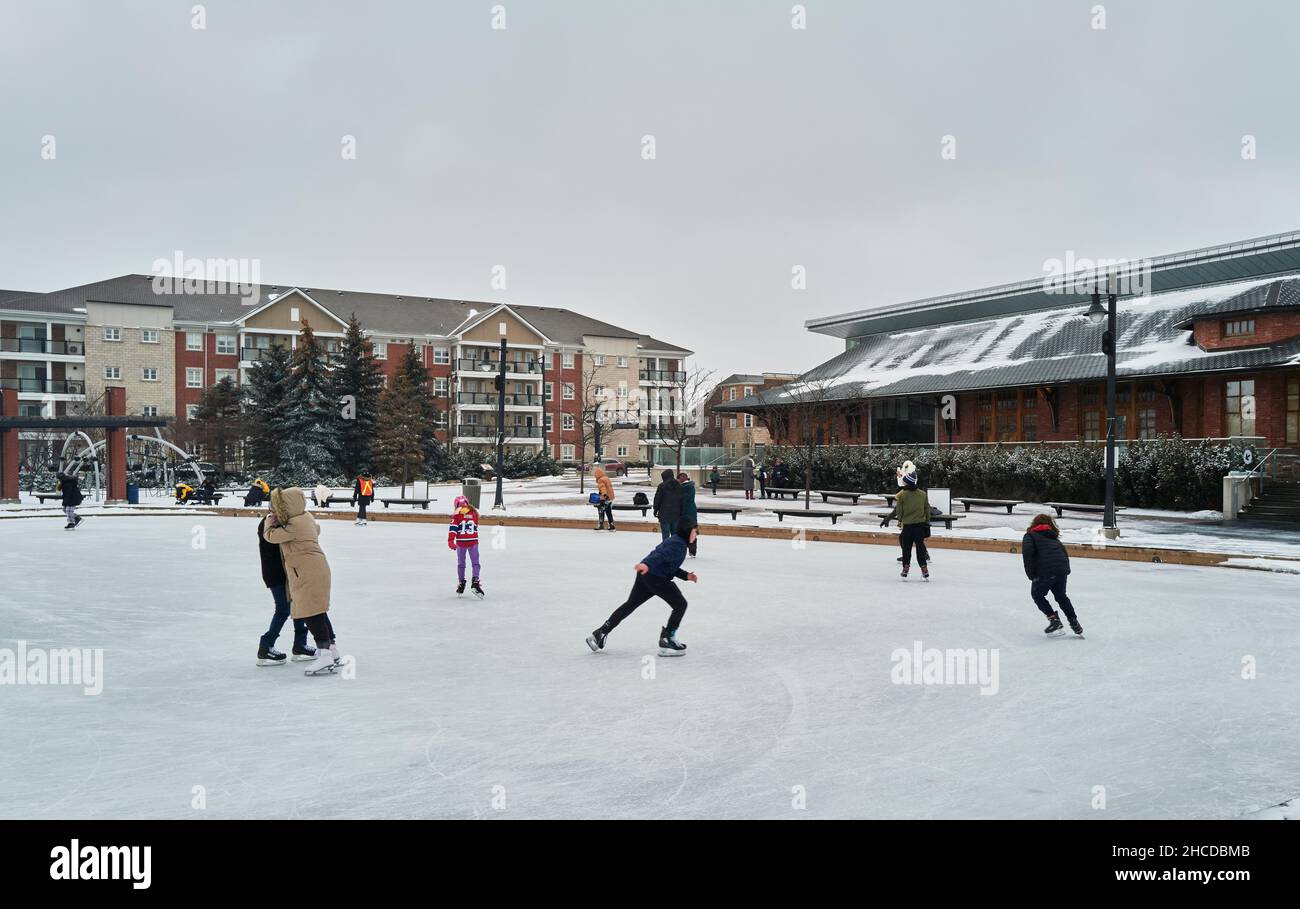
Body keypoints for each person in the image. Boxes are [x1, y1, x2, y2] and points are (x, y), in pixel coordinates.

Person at [586, 524, 698, 657]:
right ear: (687, 531)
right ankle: (667, 638)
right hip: (655, 577)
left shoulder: (675, 540)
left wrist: (686, 576)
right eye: (695, 531)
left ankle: (600, 633)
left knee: (630, 604)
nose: (697, 535)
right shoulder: (679, 545)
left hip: (645, 574)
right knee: (680, 604)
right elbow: (661, 556)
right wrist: (647, 564)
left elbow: (668, 564)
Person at [263, 487, 341, 676]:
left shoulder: (294, 525)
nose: (273, 511)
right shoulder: (305, 518)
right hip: (317, 568)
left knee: (310, 612)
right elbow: (317, 529)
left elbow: (271, 537)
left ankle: (324, 654)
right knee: (319, 610)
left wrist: (268, 521)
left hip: (306, 572)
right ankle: (332, 649)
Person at [255, 518, 315, 666]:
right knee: (283, 609)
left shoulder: (281, 520)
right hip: (276, 574)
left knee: (298, 606)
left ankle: (300, 645)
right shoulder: (269, 522)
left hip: (288, 572)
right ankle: (266, 646)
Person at [1022, 514, 1083, 636]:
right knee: (1061, 596)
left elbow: (1028, 556)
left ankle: (1053, 619)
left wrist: (1031, 575)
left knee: (1037, 595)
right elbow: (1064, 554)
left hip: (1045, 571)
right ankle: (1074, 622)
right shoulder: (1054, 537)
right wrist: (1064, 570)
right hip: (1061, 570)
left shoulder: (1030, 536)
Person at [880, 460, 931, 580]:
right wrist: (926, 521)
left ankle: (906, 568)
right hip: (919, 526)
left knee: (906, 549)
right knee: (920, 548)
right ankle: (924, 569)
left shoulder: (902, 495)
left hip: (908, 526)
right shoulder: (923, 494)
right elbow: (927, 509)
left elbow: (899, 511)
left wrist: (895, 519)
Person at [448, 494, 484, 597]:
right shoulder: (474, 513)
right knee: (476, 563)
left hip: (461, 542)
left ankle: (461, 583)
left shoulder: (456, 515)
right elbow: (475, 525)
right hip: (473, 541)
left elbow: (453, 529)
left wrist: (451, 541)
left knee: (461, 564)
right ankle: (475, 581)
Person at [652, 469, 682, 540]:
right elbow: (682, 500)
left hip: (664, 514)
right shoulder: (679, 485)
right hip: (676, 514)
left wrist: (655, 510)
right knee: (675, 533)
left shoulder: (662, 486)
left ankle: (666, 548)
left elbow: (657, 499)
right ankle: (674, 548)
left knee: (665, 534)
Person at [677, 471, 698, 557]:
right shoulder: (691, 486)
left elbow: (683, 501)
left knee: (682, 533)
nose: (677, 480)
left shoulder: (683, 488)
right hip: (692, 513)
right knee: (692, 532)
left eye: (678, 479)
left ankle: (681, 551)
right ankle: (692, 551)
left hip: (684, 513)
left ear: (682, 478)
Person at [593, 466, 616, 531]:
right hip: (610, 498)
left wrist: (604, 495)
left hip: (605, 498)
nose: (595, 476)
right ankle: (611, 526)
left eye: (595, 474)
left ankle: (601, 525)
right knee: (608, 512)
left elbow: (603, 488)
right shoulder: (606, 478)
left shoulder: (600, 480)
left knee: (601, 511)